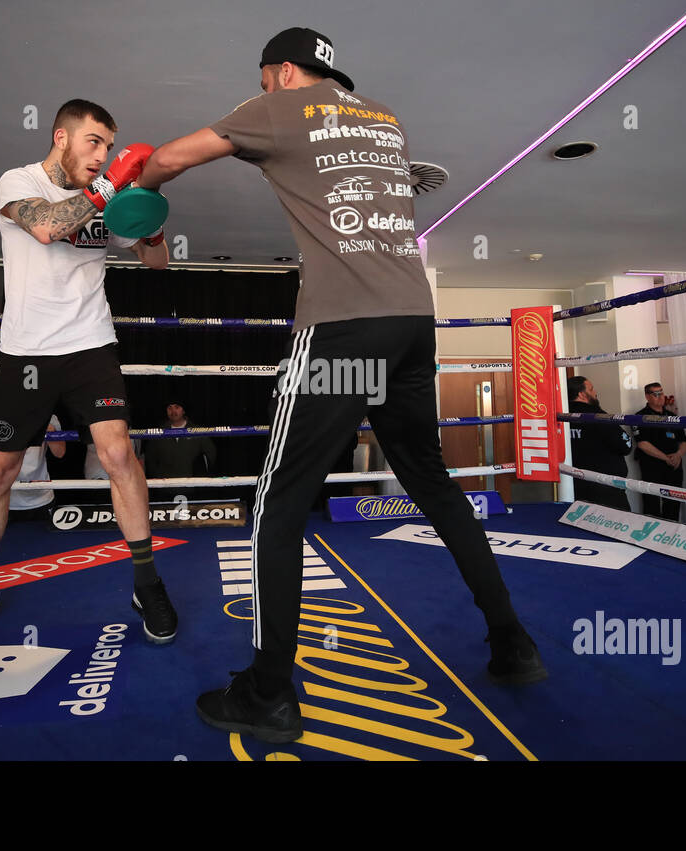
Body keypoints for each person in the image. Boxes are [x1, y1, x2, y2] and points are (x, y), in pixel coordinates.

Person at [138, 27, 546, 743]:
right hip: (411, 325)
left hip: (343, 332)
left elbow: (169, 157)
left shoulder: (277, 106)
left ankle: (268, 691)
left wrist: (138, 201)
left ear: (284, 71)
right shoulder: (383, 117)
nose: (262, 91)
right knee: (433, 481)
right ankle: (512, 640)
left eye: (266, 79)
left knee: (277, 503)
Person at [0, 99, 176, 644]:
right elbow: (46, 228)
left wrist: (149, 224)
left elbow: (159, 263)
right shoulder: (18, 181)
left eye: (110, 146)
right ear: (61, 136)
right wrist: (110, 189)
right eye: (94, 142)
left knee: (118, 456)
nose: (103, 154)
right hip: (26, 351)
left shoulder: (109, 197)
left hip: (90, 346)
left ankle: (146, 582)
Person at [566, 375, 631, 511]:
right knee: (615, 528)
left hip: (575, 484)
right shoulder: (596, 415)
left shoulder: (563, 415)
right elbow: (625, 445)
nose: (595, 392)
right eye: (591, 389)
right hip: (605, 487)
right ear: (582, 394)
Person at [632, 382, 686, 520]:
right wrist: (666, 458)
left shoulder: (672, 416)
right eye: (655, 394)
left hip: (674, 466)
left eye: (661, 393)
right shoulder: (639, 416)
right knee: (652, 505)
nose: (660, 397)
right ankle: (651, 537)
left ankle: (671, 536)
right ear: (647, 397)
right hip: (652, 466)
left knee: (673, 505)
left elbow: (684, 441)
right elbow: (643, 444)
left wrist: (678, 455)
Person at [142, 401, 217, 499]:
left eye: (177, 407)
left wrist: (199, 478)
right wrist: (159, 478)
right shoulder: (158, 432)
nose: (173, 411)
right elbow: (149, 458)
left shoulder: (197, 431)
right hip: (165, 489)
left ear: (184, 410)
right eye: (169, 407)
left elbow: (211, 456)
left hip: (193, 489)